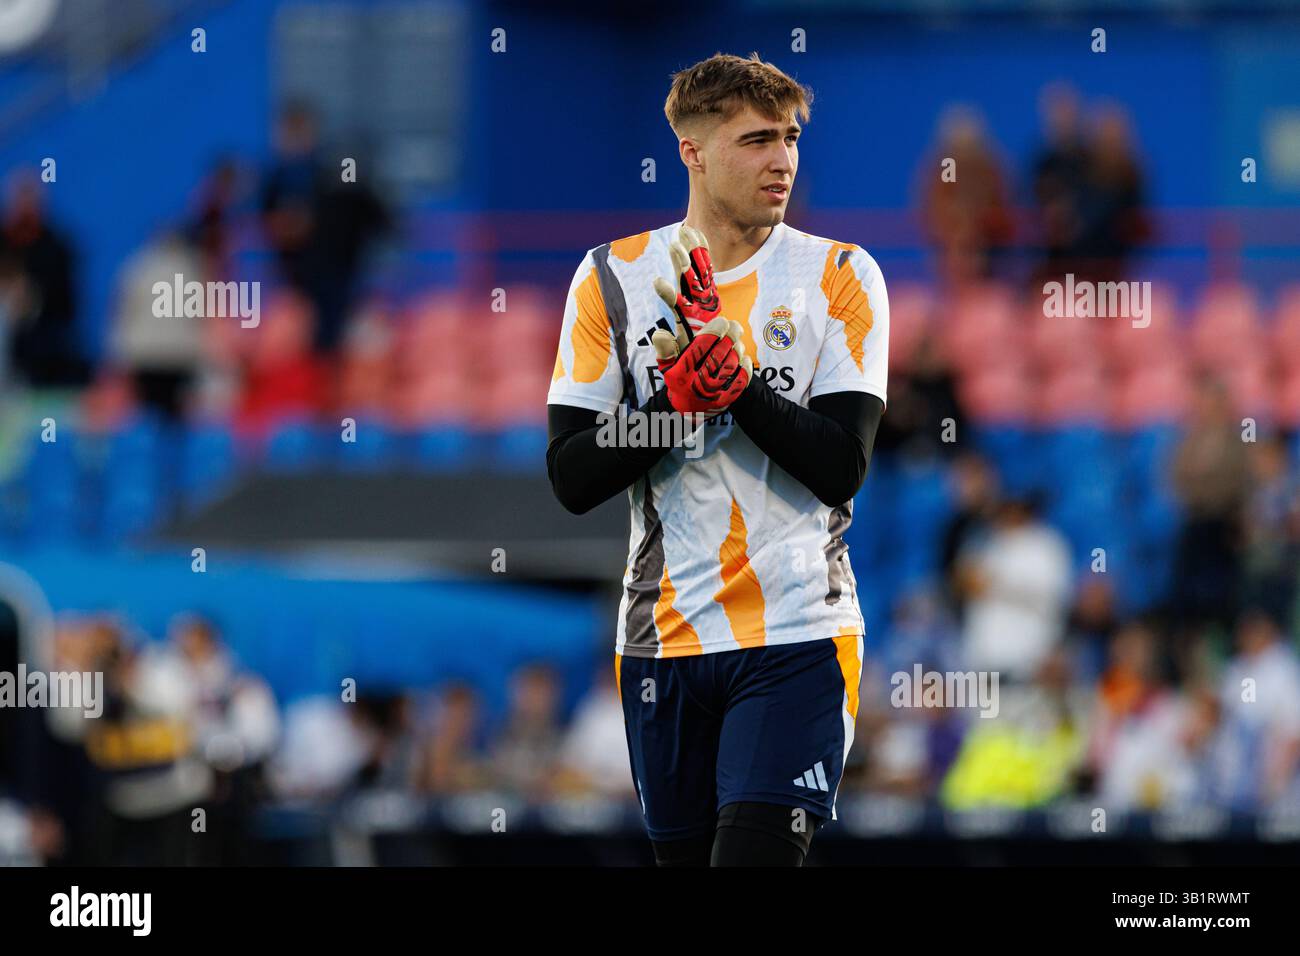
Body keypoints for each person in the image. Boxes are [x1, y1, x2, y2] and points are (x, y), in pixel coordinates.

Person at [546, 53, 888, 866]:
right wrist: (671, 411)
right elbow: (572, 475)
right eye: (756, 140)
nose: (783, 160)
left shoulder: (840, 274)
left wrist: (738, 390)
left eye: (792, 138)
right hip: (662, 644)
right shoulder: (611, 278)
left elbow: (842, 465)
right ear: (692, 152)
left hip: (799, 633)